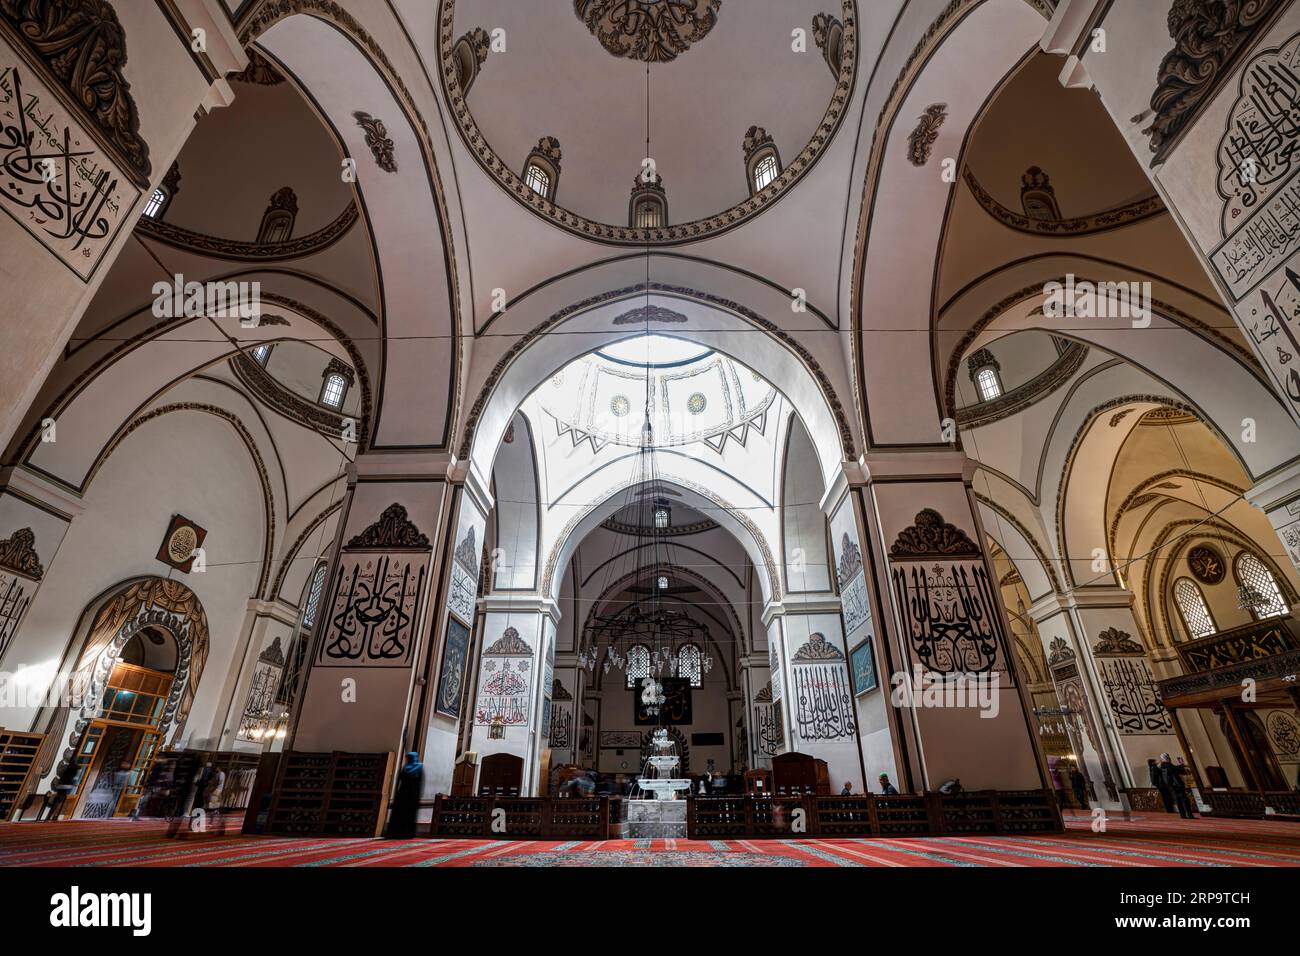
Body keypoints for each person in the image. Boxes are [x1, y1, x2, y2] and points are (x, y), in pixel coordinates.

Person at [386, 751, 424, 839]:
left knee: (400, 814)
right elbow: (420, 781)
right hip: (413, 794)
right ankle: (407, 833)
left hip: (402, 794)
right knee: (409, 814)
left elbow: (399, 779)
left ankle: (396, 833)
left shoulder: (405, 767)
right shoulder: (419, 767)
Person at [1159, 752, 1195, 820]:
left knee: (1178, 800)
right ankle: (1190, 815)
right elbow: (1176, 769)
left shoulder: (1162, 766)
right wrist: (1182, 765)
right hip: (1177, 784)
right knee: (1184, 799)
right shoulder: (1168, 765)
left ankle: (1182, 815)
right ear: (1167, 758)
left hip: (1171, 785)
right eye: (1169, 757)